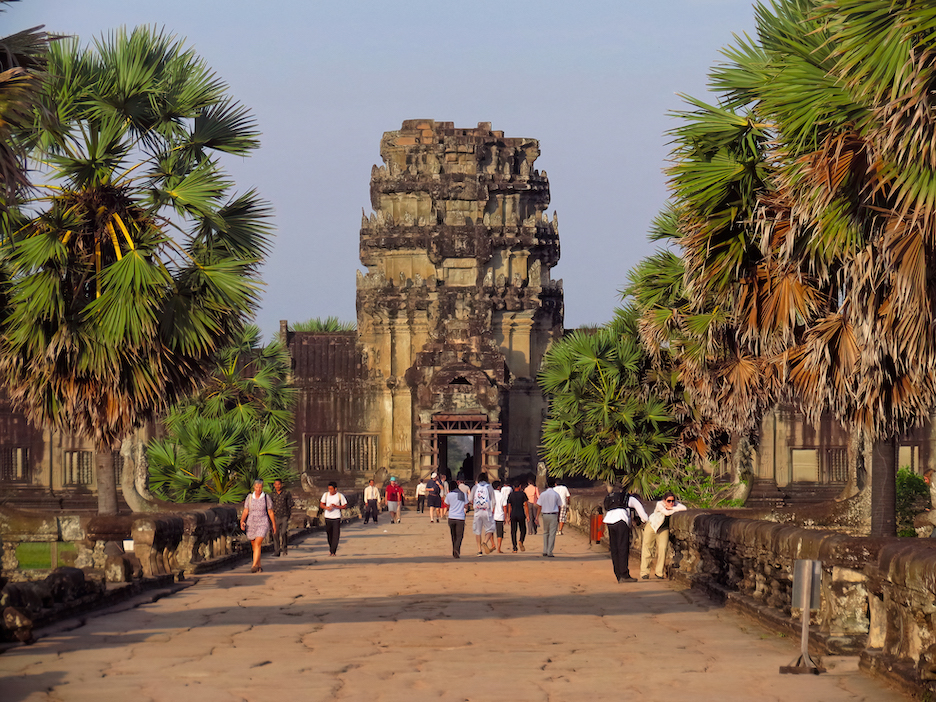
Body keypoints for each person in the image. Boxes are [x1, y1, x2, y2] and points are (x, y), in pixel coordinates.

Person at [603, 485, 649, 583]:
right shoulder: (631, 499)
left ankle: (618, 574)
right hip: (621, 520)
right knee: (623, 548)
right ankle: (624, 574)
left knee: (614, 549)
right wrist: (645, 521)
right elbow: (643, 516)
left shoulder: (613, 498)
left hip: (609, 521)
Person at [640, 491, 687, 579]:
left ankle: (659, 572)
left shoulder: (674, 504)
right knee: (647, 548)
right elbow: (666, 513)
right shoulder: (659, 504)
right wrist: (673, 509)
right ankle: (644, 572)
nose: (671, 503)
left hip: (663, 528)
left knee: (663, 548)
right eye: (668, 501)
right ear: (664, 500)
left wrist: (672, 508)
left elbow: (684, 508)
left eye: (673, 501)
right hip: (652, 526)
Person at [240, 478, 276, 573]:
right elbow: (246, 510)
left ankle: (254, 565)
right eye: (257, 487)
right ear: (254, 487)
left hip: (262, 521)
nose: (258, 489)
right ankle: (259, 565)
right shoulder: (250, 497)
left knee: (258, 543)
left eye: (260, 487)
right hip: (251, 522)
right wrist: (242, 521)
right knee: (254, 544)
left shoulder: (265, 497)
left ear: (262, 487)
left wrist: (273, 524)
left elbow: (270, 511)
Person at [470, 472, 496, 556]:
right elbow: (493, 500)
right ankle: (485, 541)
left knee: (477, 531)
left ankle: (479, 550)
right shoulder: (489, 487)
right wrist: (492, 509)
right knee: (491, 528)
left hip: (477, 511)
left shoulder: (475, 487)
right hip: (486, 511)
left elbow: (470, 498)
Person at [320, 481, 348, 556]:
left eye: (331, 489)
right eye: (329, 489)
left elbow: (344, 506)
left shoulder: (340, 496)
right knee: (329, 534)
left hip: (336, 517)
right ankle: (331, 547)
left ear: (335, 489)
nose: (330, 491)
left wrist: (336, 506)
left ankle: (333, 551)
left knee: (336, 535)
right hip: (328, 517)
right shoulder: (325, 495)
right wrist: (326, 507)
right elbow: (321, 504)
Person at [537, 476, 563, 557]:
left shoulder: (543, 494)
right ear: (554, 484)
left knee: (545, 533)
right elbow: (559, 506)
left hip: (545, 514)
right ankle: (549, 551)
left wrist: (537, 516)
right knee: (552, 533)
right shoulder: (556, 494)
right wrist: (558, 517)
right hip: (553, 514)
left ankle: (545, 550)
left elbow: (539, 506)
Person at [445, 474, 469, 558]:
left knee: (453, 535)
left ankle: (454, 549)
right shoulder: (463, 494)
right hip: (460, 518)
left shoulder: (449, 495)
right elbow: (466, 505)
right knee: (459, 536)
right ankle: (456, 549)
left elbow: (447, 505)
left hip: (451, 517)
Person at [270, 478, 293, 557]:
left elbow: (290, 504)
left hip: (284, 516)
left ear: (281, 485)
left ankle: (284, 547)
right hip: (276, 516)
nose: (277, 486)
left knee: (283, 532)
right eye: (276, 484)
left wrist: (289, 514)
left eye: (279, 484)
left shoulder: (286, 493)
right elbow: (270, 506)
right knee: (275, 534)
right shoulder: (272, 495)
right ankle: (277, 551)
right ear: (274, 485)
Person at [505, 480, 529, 552]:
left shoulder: (511, 495)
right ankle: (521, 540)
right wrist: (527, 515)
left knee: (513, 531)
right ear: (520, 486)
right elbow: (526, 505)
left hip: (513, 514)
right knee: (523, 529)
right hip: (521, 513)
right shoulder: (523, 494)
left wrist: (509, 516)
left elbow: (509, 506)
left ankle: (514, 548)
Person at [492, 480, 508, 553]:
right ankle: (498, 547)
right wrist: (506, 517)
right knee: (499, 532)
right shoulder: (502, 495)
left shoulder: (490, 495)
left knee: (490, 531)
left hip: (491, 516)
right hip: (500, 516)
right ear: (499, 487)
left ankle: (492, 544)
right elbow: (504, 507)